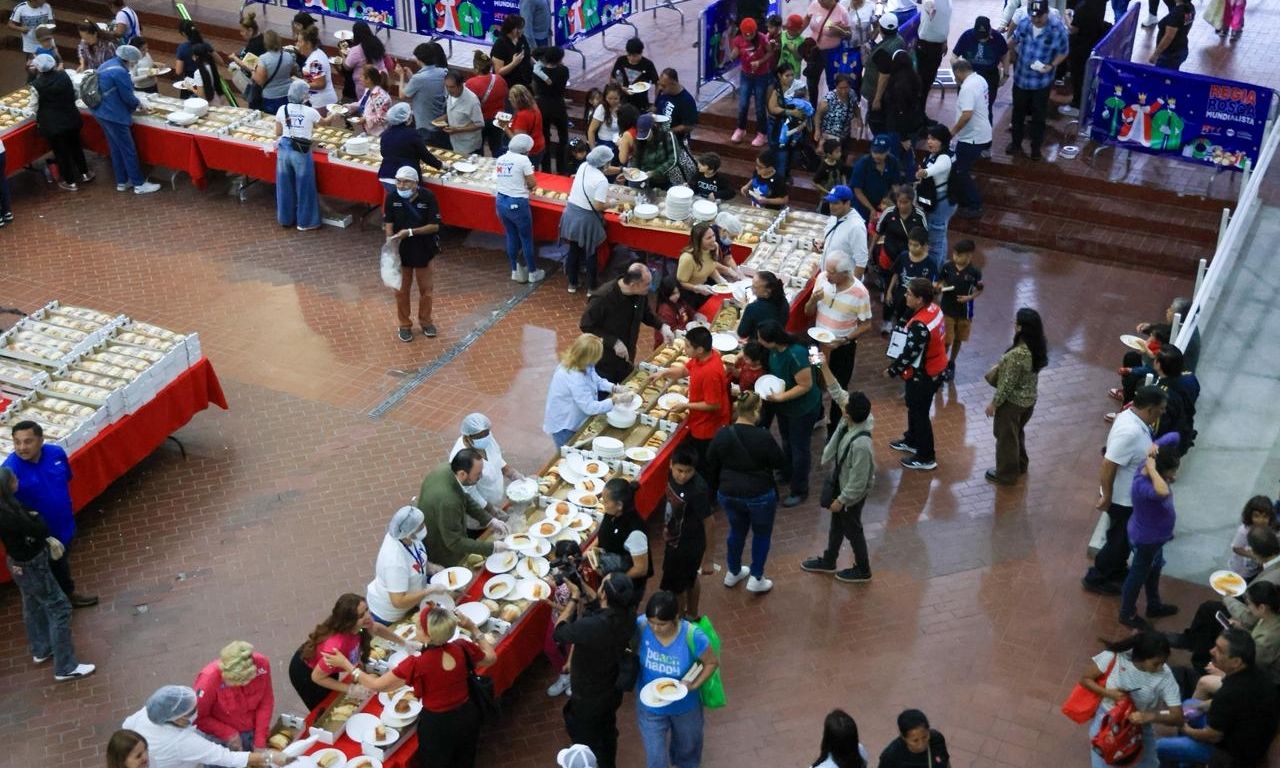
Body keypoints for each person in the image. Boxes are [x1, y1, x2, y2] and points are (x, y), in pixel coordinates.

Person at [325, 606, 497, 768]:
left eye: (419, 627)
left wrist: (347, 666)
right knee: (465, 759)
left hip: (438, 726)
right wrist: (473, 628)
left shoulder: (416, 664)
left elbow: (377, 685)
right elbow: (491, 658)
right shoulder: (462, 647)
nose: (416, 629)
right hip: (468, 714)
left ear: (428, 636)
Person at [0, 466, 94, 681]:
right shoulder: (12, 515)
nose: (17, 481)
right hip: (33, 566)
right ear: (8, 486)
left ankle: (41, 648)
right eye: (14, 479)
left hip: (17, 565)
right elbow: (39, 529)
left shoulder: (6, 510)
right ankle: (66, 667)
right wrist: (37, 519)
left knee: (32, 603)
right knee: (60, 608)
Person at [1082, 386, 1167, 595]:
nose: (1163, 412)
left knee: (1122, 540)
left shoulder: (1133, 418)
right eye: (1161, 408)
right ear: (1149, 408)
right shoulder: (1130, 432)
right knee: (1118, 542)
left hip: (1132, 497)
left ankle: (1116, 570)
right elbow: (1108, 464)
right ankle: (1098, 577)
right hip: (1124, 500)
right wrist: (1107, 495)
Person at [1155, 629, 1280, 767]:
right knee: (1189, 704)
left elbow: (1212, 736)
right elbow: (1235, 707)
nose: (1211, 651)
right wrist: (1199, 707)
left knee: (1159, 746)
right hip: (1253, 739)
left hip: (1231, 755)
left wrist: (1184, 727)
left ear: (1236, 662)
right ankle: (1185, 762)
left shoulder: (1228, 693)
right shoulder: (1256, 675)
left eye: (1219, 650)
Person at [5, 421, 96, 607]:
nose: (22, 447)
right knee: (47, 571)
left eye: (28, 441)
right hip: (39, 535)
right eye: (17, 442)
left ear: (41, 440)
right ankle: (60, 603)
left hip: (64, 524)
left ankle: (66, 595)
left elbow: (66, 478)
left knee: (61, 561)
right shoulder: (9, 471)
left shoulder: (56, 453)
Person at [802, 359, 875, 583]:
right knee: (837, 525)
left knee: (853, 529)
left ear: (846, 415)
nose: (842, 403)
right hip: (842, 480)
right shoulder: (857, 416)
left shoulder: (861, 445)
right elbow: (836, 390)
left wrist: (842, 500)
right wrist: (822, 365)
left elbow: (859, 481)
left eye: (845, 405)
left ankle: (863, 569)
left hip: (850, 493)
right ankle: (829, 559)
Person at [553, 572, 636, 768]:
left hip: (588, 699)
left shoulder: (592, 626)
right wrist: (581, 585)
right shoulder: (627, 617)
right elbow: (597, 606)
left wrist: (574, 599)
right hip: (611, 691)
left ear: (604, 594)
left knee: (587, 743)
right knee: (607, 735)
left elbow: (559, 632)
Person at [706, 392, 786, 592]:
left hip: (728, 493)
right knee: (761, 534)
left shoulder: (723, 434)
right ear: (756, 410)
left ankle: (733, 571)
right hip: (759, 494)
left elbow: (710, 460)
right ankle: (756, 577)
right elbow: (780, 462)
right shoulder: (763, 436)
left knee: (736, 531)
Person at [634, 591, 718, 768]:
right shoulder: (641, 626)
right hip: (650, 706)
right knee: (655, 758)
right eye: (652, 622)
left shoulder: (692, 635)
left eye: (662, 624)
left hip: (685, 707)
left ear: (676, 618)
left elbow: (711, 662)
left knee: (688, 752)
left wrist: (694, 685)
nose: (655, 628)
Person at [1079, 632, 1183, 768]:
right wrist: (1108, 693)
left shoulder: (1165, 675)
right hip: (1107, 722)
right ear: (1141, 658)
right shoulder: (1114, 657)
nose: (1160, 668)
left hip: (1139, 728)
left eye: (1163, 663)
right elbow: (1085, 679)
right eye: (1156, 664)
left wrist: (1149, 716)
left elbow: (1177, 717)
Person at [287, 593, 405, 710]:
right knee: (324, 705)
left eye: (366, 610)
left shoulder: (362, 625)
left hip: (326, 666)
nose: (368, 616)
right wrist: (350, 689)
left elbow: (377, 628)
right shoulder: (335, 647)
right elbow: (317, 677)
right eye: (361, 616)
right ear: (349, 622)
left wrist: (403, 643)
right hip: (307, 672)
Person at [121, 686, 281, 767]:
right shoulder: (183, 742)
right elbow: (228, 758)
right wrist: (270, 757)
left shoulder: (147, 713)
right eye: (192, 711)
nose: (197, 711)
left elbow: (126, 725)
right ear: (178, 720)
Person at [806, 249, 873, 438]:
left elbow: (866, 324)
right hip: (816, 343)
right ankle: (818, 414)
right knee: (815, 377)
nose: (827, 275)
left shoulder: (860, 293)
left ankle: (834, 428)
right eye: (826, 270)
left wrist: (844, 339)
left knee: (839, 387)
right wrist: (813, 299)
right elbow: (808, 311)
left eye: (832, 272)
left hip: (842, 348)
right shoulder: (822, 279)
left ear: (845, 273)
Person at [1117, 434, 1181, 630]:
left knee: (1155, 567)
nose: (1174, 475)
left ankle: (1154, 604)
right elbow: (1163, 491)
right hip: (1146, 540)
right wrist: (1153, 469)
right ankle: (1126, 613)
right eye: (1171, 471)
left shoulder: (1151, 464)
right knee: (1137, 575)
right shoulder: (1144, 486)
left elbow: (1175, 436)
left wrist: (1153, 448)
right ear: (1158, 471)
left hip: (1156, 539)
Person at [758, 320, 823, 507]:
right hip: (785, 407)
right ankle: (787, 471)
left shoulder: (796, 354)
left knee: (799, 448)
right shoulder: (774, 350)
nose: (759, 341)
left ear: (772, 340)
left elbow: (805, 385)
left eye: (761, 339)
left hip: (802, 409)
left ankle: (800, 489)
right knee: (786, 440)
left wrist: (781, 397)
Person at [885, 278, 948, 471]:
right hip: (936, 367)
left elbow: (910, 354)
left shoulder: (920, 325)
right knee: (914, 407)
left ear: (920, 299)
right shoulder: (934, 309)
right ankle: (912, 439)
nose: (905, 296)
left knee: (920, 413)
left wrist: (892, 370)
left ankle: (926, 456)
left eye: (909, 294)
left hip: (924, 374)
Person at [580, 263, 674, 383]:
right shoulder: (603, 297)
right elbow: (586, 325)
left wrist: (662, 326)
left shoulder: (640, 293)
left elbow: (646, 314)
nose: (650, 288)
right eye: (647, 284)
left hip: (627, 356)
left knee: (625, 385)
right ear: (633, 285)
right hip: (604, 360)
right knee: (606, 391)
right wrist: (613, 342)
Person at [984, 307, 1046, 485]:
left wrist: (994, 404)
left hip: (1012, 404)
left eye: (1016, 322)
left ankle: (1006, 474)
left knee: (1006, 439)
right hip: (1029, 400)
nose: (1014, 325)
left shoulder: (1016, 354)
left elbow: (1007, 384)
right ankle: (1020, 464)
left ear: (1020, 328)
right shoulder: (1036, 347)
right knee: (1016, 433)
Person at [418, 450, 510, 568]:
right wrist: (492, 547)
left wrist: (489, 520)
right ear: (462, 474)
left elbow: (465, 497)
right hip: (440, 545)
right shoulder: (449, 501)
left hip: (437, 522)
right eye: (477, 474)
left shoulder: (447, 469)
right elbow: (455, 542)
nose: (481, 477)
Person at [89, 45, 160, 195]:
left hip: (100, 112)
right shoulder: (120, 72)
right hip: (114, 115)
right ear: (130, 60)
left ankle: (122, 181)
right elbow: (128, 97)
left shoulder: (107, 64)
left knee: (115, 148)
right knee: (128, 150)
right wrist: (140, 105)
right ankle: (138, 184)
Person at [383, 165, 441, 341]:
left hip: (424, 249)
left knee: (426, 291)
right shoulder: (392, 198)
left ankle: (426, 322)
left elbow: (434, 226)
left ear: (415, 183)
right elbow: (389, 223)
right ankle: (404, 325)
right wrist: (390, 242)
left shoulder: (428, 197)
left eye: (406, 182)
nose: (401, 185)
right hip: (402, 252)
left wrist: (410, 232)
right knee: (401, 292)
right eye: (398, 181)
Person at [655, 446, 714, 619]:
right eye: (679, 470)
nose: (683, 476)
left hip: (688, 545)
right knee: (689, 578)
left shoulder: (697, 490)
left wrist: (709, 559)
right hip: (674, 540)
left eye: (688, 471)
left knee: (677, 586)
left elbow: (710, 523)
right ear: (671, 465)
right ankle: (691, 615)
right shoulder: (671, 477)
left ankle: (682, 618)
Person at [1006, 0, 1068, 161]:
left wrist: (1051, 65)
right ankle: (1016, 143)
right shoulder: (1025, 23)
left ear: (1047, 13)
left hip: (1041, 82)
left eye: (1039, 17)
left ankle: (1036, 148)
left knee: (1039, 115)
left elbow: (1063, 51)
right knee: (1018, 112)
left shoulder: (1057, 28)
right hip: (1021, 78)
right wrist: (1008, 51)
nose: (1036, 20)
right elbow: (1014, 40)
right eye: (1033, 16)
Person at [365, 505, 444, 624]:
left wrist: (430, 567)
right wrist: (428, 591)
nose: (424, 527)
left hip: (411, 601)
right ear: (408, 533)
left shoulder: (408, 538)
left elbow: (414, 559)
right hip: (391, 614)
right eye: (420, 526)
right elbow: (398, 601)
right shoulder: (394, 561)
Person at [193, 641, 273, 751]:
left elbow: (265, 702)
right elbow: (198, 717)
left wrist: (260, 739)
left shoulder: (262, 665)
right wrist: (227, 733)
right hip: (221, 738)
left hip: (255, 731)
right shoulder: (208, 680)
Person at [30, 54, 90, 192]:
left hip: (53, 124)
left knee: (61, 153)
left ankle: (70, 182)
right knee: (76, 147)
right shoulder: (64, 76)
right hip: (71, 118)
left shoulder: (36, 86)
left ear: (39, 68)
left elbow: (33, 107)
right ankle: (85, 173)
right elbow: (75, 93)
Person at [561, 145, 614, 294]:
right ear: (605, 163)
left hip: (571, 213)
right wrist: (611, 203)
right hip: (586, 219)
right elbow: (598, 206)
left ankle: (572, 283)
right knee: (591, 252)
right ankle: (592, 287)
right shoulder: (601, 180)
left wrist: (621, 170)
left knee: (574, 249)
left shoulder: (583, 166)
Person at [494, 133, 544, 284]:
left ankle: (515, 271)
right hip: (517, 203)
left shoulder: (501, 158)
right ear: (526, 149)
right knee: (526, 238)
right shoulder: (523, 160)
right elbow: (532, 183)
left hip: (501, 201)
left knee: (511, 235)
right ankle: (532, 273)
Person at [273, 80, 321, 231]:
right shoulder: (310, 112)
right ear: (304, 95)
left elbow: (278, 132)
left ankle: (285, 219)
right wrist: (333, 115)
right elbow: (323, 122)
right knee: (305, 187)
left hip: (283, 151)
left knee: (284, 186)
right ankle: (305, 222)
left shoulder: (282, 109)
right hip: (300, 152)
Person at [949, 60, 992, 219]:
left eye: (955, 76)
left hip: (971, 137)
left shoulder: (967, 87)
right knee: (957, 169)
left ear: (958, 72)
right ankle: (962, 200)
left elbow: (967, 114)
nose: (955, 79)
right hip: (981, 133)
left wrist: (953, 132)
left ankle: (974, 204)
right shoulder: (980, 79)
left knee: (961, 171)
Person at [594, 479, 652, 596]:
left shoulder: (635, 532)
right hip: (609, 572)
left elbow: (641, 568)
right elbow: (603, 533)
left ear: (619, 505)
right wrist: (590, 551)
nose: (603, 504)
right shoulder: (611, 513)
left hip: (624, 588)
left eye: (606, 501)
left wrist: (614, 580)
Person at [937, 240, 984, 380]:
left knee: (958, 339)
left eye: (959, 255)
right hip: (947, 309)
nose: (955, 257)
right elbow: (939, 281)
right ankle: (942, 363)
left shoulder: (975, 272)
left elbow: (979, 289)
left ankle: (951, 363)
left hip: (964, 312)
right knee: (947, 340)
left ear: (969, 256)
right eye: (954, 254)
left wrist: (969, 297)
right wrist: (940, 287)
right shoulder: (947, 267)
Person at [727, 17, 775, 147]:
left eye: (751, 34)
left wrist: (760, 62)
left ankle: (762, 133)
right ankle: (741, 129)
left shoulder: (762, 38)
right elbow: (734, 52)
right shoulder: (738, 40)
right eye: (745, 34)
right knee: (743, 104)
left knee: (760, 106)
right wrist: (733, 54)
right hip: (746, 75)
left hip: (761, 76)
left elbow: (770, 52)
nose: (748, 37)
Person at [951, 16, 1008, 124]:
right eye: (979, 37)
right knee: (965, 109)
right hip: (968, 79)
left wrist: (1006, 74)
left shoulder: (997, 37)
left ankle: (985, 132)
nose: (982, 40)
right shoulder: (967, 36)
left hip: (989, 78)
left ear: (990, 30)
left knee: (986, 110)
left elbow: (1005, 54)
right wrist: (958, 74)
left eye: (984, 37)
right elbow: (953, 57)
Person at [378, 103, 445, 194]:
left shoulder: (386, 133)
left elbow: (383, 153)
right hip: (405, 179)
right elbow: (425, 156)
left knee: (396, 201)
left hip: (386, 177)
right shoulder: (412, 134)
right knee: (410, 202)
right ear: (407, 118)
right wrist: (441, 165)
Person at [874, 187, 927, 300]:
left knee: (906, 285)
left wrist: (923, 257)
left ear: (912, 201)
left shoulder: (919, 215)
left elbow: (924, 237)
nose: (902, 206)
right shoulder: (888, 213)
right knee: (888, 281)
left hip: (909, 257)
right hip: (889, 255)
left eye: (905, 202)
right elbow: (878, 232)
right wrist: (869, 251)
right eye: (899, 202)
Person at [915, 125, 955, 270]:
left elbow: (934, 170)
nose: (929, 142)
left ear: (943, 141)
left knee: (935, 240)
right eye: (928, 138)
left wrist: (923, 173)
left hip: (941, 202)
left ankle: (934, 272)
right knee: (940, 234)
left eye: (934, 139)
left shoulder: (944, 157)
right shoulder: (933, 154)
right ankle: (941, 264)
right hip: (935, 199)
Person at [886, 228, 937, 327]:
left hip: (917, 301)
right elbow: (896, 273)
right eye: (910, 244)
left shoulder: (930, 263)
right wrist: (889, 291)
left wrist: (935, 288)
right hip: (901, 296)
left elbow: (931, 285)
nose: (912, 248)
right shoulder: (903, 256)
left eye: (916, 245)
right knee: (899, 320)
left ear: (924, 246)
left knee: (913, 323)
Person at [400, 42, 448, 147]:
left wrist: (401, 76)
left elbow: (402, 95)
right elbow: (423, 86)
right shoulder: (443, 72)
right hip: (440, 121)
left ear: (419, 59)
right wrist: (411, 76)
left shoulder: (419, 78)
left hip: (424, 125)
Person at [803, 0, 853, 99]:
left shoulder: (842, 12)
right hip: (815, 51)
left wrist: (840, 31)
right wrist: (795, 33)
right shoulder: (815, 4)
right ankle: (812, 105)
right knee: (812, 81)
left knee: (832, 82)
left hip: (832, 53)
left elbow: (849, 35)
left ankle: (833, 104)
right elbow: (807, 19)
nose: (820, 1)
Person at [817, 185, 870, 279]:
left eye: (836, 203)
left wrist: (851, 286)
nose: (831, 206)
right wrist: (823, 244)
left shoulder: (856, 226)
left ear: (847, 203)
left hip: (843, 282)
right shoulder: (834, 217)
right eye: (830, 202)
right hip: (828, 278)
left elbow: (861, 261)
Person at [862, 13, 904, 127]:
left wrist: (877, 99)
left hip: (875, 92)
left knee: (876, 123)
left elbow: (884, 75)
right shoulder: (899, 40)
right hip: (891, 92)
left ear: (881, 29)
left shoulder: (884, 50)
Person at [534, 47, 571, 172]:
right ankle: (562, 168)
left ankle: (546, 169)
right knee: (563, 137)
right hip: (559, 105)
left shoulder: (538, 72)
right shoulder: (564, 71)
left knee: (545, 138)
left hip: (543, 106)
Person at [848, 134, 901, 222]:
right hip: (861, 205)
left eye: (881, 153)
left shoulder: (893, 162)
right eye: (875, 152)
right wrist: (871, 209)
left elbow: (895, 185)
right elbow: (857, 191)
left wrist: (893, 199)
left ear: (888, 151)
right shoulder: (862, 164)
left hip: (882, 204)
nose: (877, 156)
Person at [465, 51, 508, 157]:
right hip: (500, 118)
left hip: (481, 120)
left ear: (476, 68)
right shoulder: (500, 79)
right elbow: (505, 96)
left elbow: (468, 104)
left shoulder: (471, 83)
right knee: (498, 147)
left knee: (478, 149)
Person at [914, 0, 952, 116]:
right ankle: (917, 115)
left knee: (928, 81)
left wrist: (944, 40)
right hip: (926, 45)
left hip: (937, 46)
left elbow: (944, 20)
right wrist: (930, 9)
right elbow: (929, 5)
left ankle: (920, 113)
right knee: (922, 82)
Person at [877, 709, 950, 768]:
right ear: (903, 737)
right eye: (915, 741)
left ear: (928, 730)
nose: (921, 744)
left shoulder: (937, 739)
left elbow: (946, 763)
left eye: (925, 737)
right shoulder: (890, 757)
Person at [1228, 496, 1276, 581]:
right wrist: (1254, 556)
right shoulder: (1243, 531)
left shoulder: (1269, 529)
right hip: (1240, 570)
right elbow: (1236, 548)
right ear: (1249, 515)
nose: (1260, 520)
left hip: (1255, 570)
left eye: (1265, 516)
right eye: (1256, 516)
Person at [344, 21, 394, 101]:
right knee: (380, 102)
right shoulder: (377, 42)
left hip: (366, 83)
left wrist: (344, 57)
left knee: (366, 105)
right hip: (382, 79)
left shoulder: (356, 50)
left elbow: (347, 66)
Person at [440, 71, 484, 156]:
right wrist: (443, 118)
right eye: (446, 86)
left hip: (469, 146)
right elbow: (455, 111)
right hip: (454, 142)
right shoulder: (450, 94)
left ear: (460, 85)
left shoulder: (472, 101)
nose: (449, 90)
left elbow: (479, 124)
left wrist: (457, 130)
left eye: (452, 87)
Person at [251, 31, 294, 116]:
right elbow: (291, 72)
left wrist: (253, 72)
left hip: (271, 96)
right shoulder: (288, 56)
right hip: (288, 93)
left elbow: (260, 81)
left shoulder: (264, 58)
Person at [736, 271, 789, 341]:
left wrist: (744, 312)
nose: (751, 289)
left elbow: (742, 333)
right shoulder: (783, 300)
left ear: (766, 292)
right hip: (778, 340)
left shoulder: (753, 308)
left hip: (760, 344)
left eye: (754, 287)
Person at [814, 75, 857, 157]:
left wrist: (859, 119)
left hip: (844, 134)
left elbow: (855, 106)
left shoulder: (852, 94)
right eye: (840, 88)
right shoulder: (828, 99)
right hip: (829, 135)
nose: (843, 91)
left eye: (846, 88)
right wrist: (817, 130)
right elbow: (818, 115)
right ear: (836, 86)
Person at [611, 37, 658, 111]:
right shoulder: (621, 61)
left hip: (641, 103)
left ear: (641, 53)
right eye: (629, 55)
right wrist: (621, 88)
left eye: (635, 56)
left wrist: (656, 103)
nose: (631, 58)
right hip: (622, 102)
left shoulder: (648, 64)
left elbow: (657, 84)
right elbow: (612, 78)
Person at [655, 69, 698, 145]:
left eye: (664, 86)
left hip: (677, 142)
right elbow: (656, 107)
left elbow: (689, 126)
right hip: (661, 138)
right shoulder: (662, 92)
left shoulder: (687, 101)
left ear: (673, 84)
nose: (660, 88)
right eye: (659, 84)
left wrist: (669, 132)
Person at [491, 14, 533, 90]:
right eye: (520, 28)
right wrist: (514, 63)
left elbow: (527, 54)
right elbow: (498, 72)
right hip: (509, 86)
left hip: (525, 82)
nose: (522, 30)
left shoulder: (521, 38)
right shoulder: (500, 44)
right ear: (512, 29)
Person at [1149, 0, 1194, 70]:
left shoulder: (1176, 13)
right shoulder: (1190, 8)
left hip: (1169, 54)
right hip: (1181, 49)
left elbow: (1168, 37)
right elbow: (1186, 27)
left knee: (1162, 74)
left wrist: (1156, 55)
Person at [588, 84, 625, 153]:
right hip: (605, 144)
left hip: (620, 143)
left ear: (620, 97)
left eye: (615, 99)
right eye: (609, 98)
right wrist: (593, 150)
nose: (612, 102)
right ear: (605, 97)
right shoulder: (601, 109)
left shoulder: (623, 108)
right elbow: (591, 131)